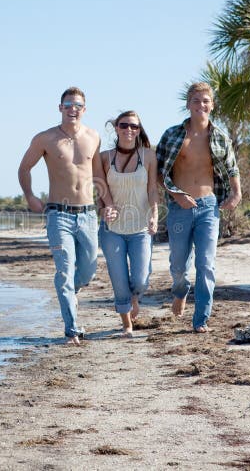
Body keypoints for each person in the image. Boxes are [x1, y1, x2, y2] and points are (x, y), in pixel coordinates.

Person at [18, 87, 112, 346]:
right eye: (68, 104)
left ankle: (71, 291)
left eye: (78, 105)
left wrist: (107, 203)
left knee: (88, 271)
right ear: (60, 108)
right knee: (64, 271)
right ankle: (72, 329)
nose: (73, 109)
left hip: (88, 214)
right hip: (58, 213)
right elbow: (24, 167)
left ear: (84, 109)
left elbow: (98, 176)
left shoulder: (93, 137)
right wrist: (29, 196)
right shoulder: (45, 139)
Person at [155, 82, 241, 333]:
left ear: (212, 105)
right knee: (179, 266)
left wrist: (236, 193)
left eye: (205, 101)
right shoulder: (172, 134)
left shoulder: (220, 136)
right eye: (196, 100)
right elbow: (158, 172)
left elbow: (233, 168)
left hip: (208, 206)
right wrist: (176, 194)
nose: (201, 105)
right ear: (188, 104)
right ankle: (180, 291)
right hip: (180, 207)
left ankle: (201, 319)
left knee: (205, 264)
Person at [98, 111, 159, 338]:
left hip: (141, 227)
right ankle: (126, 324)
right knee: (119, 279)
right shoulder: (105, 157)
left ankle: (135, 298)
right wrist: (106, 207)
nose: (129, 130)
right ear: (116, 128)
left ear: (139, 129)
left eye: (134, 126)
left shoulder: (148, 156)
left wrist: (154, 214)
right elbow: (100, 188)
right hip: (112, 229)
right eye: (124, 125)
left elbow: (152, 189)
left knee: (141, 280)